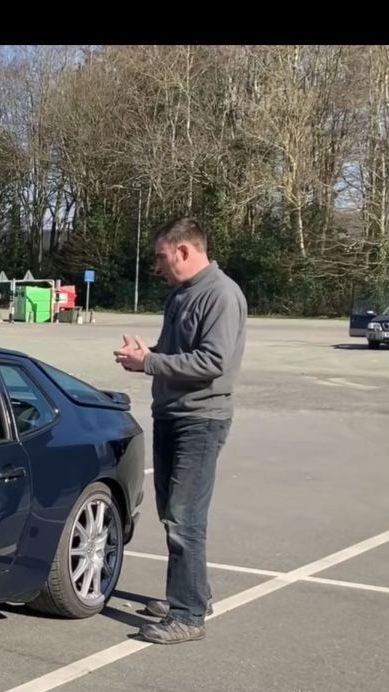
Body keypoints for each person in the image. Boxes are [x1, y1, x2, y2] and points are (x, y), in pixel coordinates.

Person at [113, 216, 246, 645]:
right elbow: (176, 353)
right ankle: (192, 595)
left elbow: (213, 362)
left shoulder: (221, 294)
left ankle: (188, 616)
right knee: (173, 513)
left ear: (185, 251)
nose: (158, 266)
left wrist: (150, 363)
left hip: (201, 420)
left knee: (184, 519)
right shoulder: (181, 295)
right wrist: (147, 354)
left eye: (161, 256)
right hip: (171, 414)